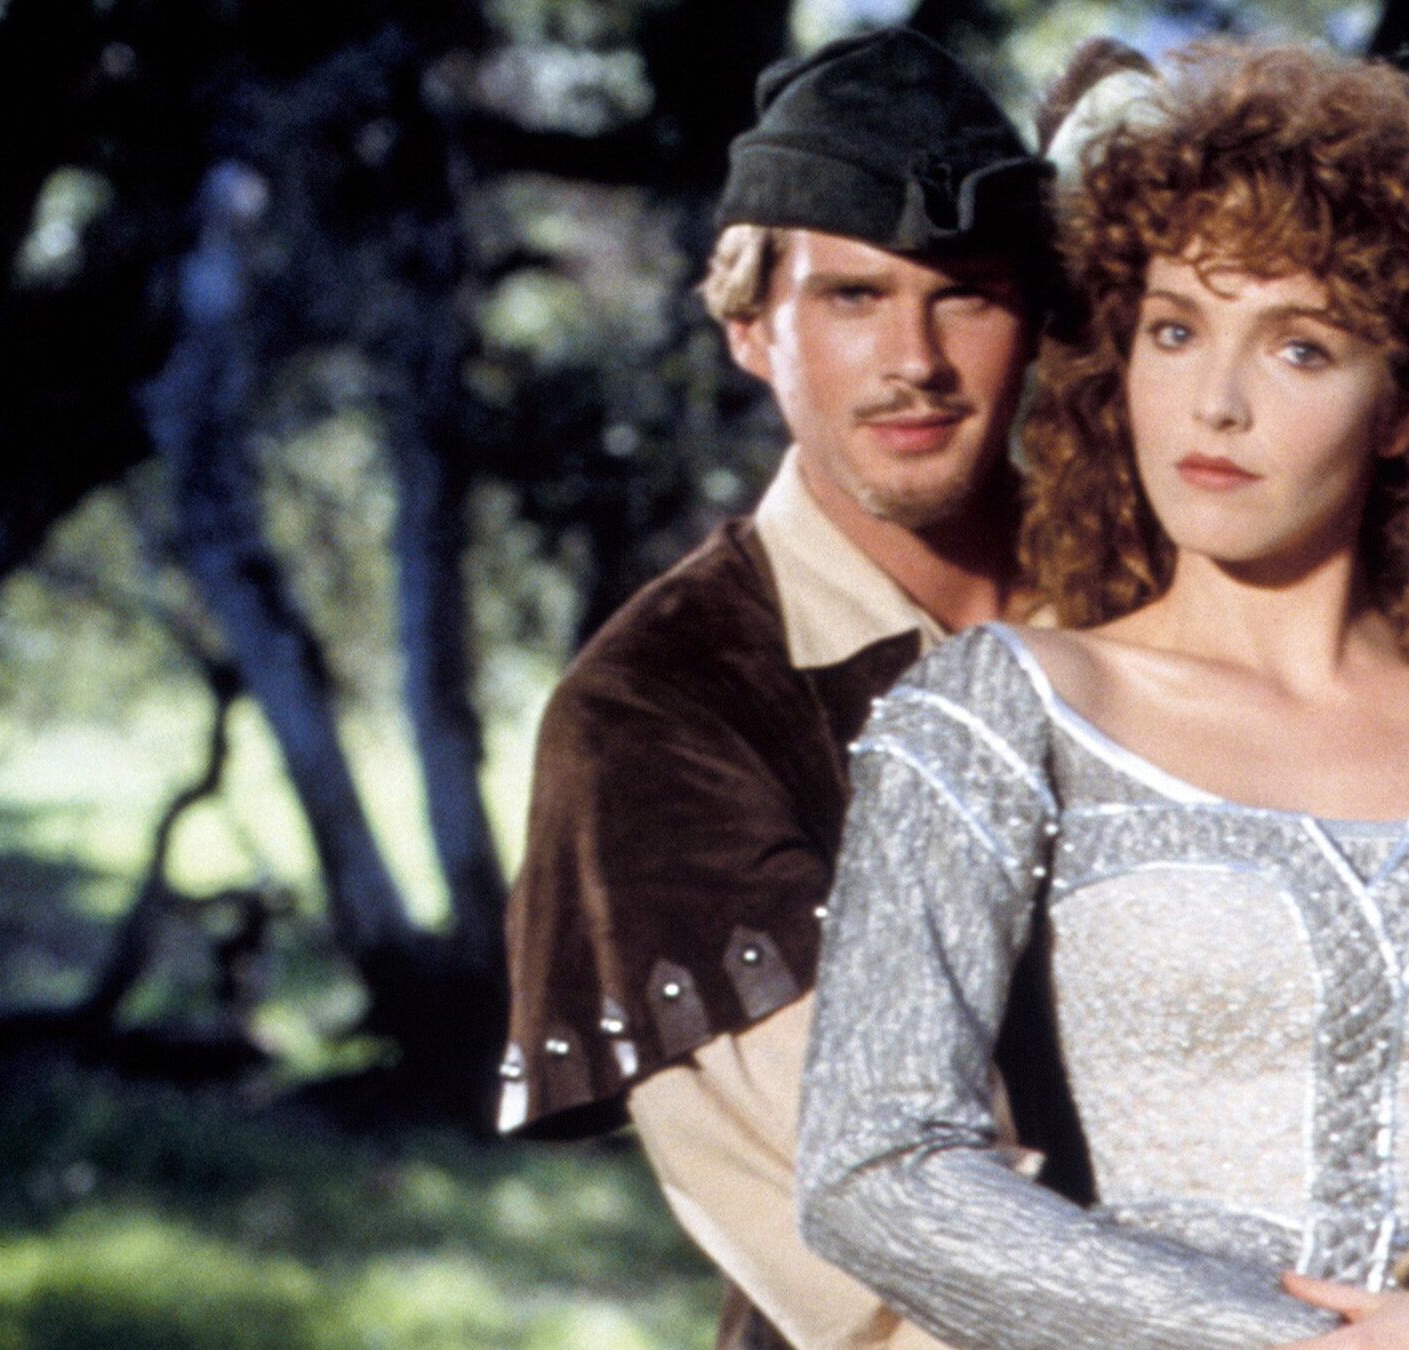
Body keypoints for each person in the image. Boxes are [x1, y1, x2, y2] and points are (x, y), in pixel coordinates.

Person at [795, 41, 1409, 1350]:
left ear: (1406, 408)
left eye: (1301, 349)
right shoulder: (1007, 715)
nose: (1215, 403)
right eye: (1175, 330)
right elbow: (874, 1168)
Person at [495, 29, 1062, 1350]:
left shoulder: (1180, 596)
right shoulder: (654, 711)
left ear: (1035, 318)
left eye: (966, 295)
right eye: (854, 296)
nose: (916, 359)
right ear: (752, 327)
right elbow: (897, 1267)